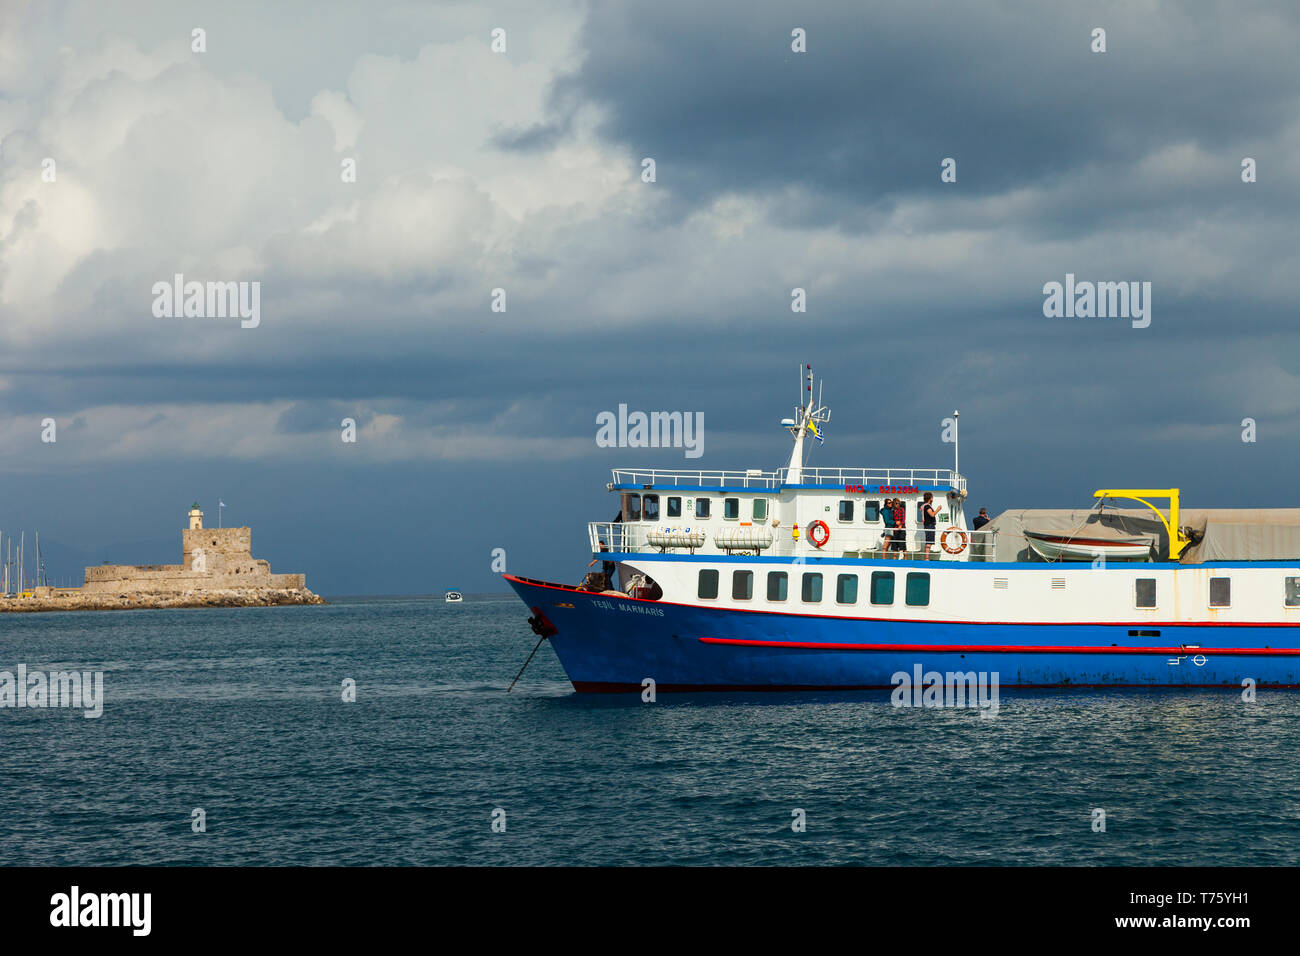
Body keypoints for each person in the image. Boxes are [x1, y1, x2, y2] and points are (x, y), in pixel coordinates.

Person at [920, 491, 940, 559]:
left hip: (928, 525)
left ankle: (927, 558)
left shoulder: (924, 506)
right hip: (929, 525)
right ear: (930, 498)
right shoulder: (927, 506)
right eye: (932, 497)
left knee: (929, 542)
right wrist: (938, 509)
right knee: (928, 542)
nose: (932, 499)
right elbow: (932, 514)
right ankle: (927, 558)